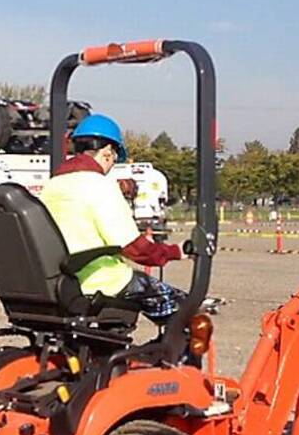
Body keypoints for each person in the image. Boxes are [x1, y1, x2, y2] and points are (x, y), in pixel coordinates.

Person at [39, 113, 188, 323]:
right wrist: (174, 252)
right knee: (186, 309)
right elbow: (133, 248)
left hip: (61, 283)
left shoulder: (51, 186)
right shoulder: (100, 185)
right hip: (102, 282)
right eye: (115, 156)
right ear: (108, 151)